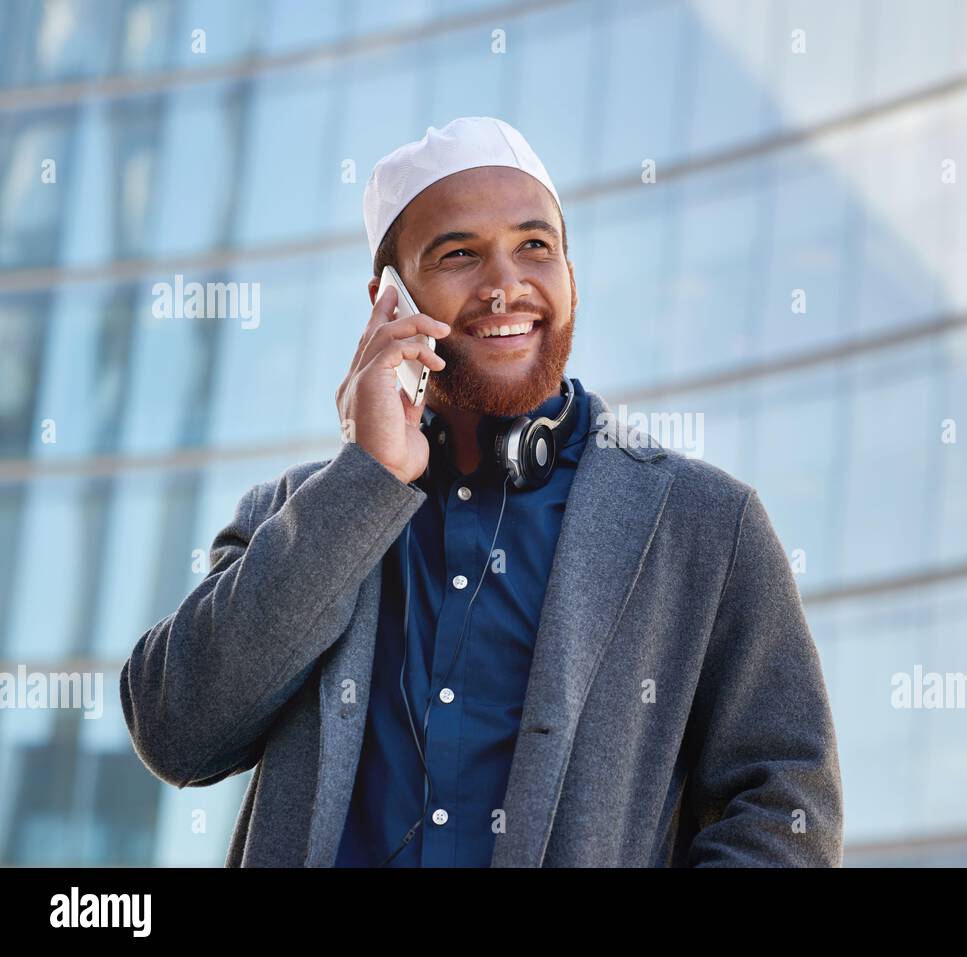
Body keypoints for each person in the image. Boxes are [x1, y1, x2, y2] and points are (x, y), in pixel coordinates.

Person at [120, 116, 843, 867]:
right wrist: (360, 487)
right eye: (460, 254)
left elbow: (788, 804)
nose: (505, 286)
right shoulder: (293, 517)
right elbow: (176, 730)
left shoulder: (704, 526)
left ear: (569, 273)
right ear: (387, 300)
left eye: (535, 247)